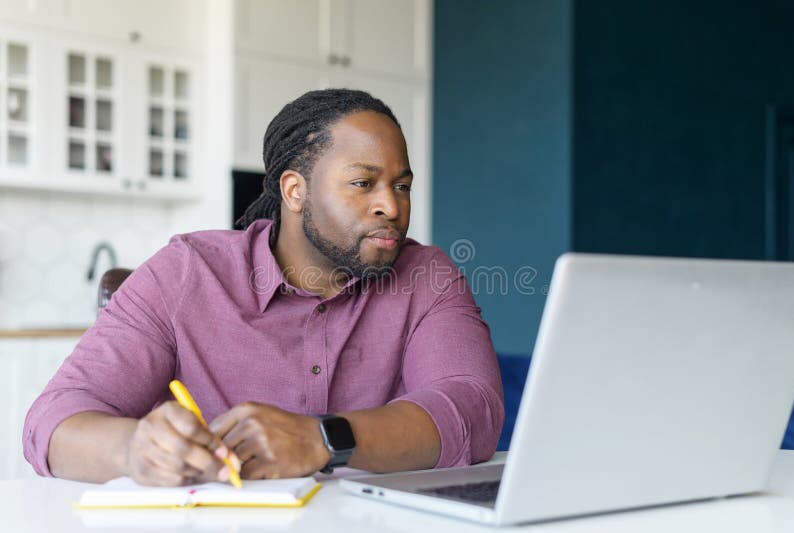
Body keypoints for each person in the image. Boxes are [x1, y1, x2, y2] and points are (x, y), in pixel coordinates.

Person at [23, 89, 503, 486]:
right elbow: (54, 423)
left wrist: (324, 439)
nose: (391, 207)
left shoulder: (428, 276)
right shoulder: (187, 273)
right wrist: (133, 449)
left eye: (401, 186)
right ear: (295, 191)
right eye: (363, 183)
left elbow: (472, 408)